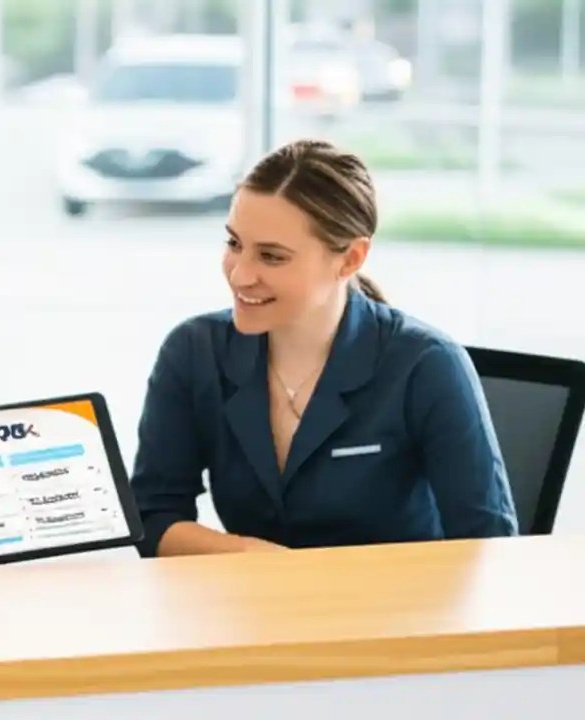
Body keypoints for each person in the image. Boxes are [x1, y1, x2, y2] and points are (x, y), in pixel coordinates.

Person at [130, 139, 517, 556]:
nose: (240, 275)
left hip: (393, 598)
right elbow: (151, 517)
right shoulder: (194, 352)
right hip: (253, 595)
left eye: (271, 257)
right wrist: (250, 557)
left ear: (350, 259)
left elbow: (489, 546)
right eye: (234, 244)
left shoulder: (427, 364)